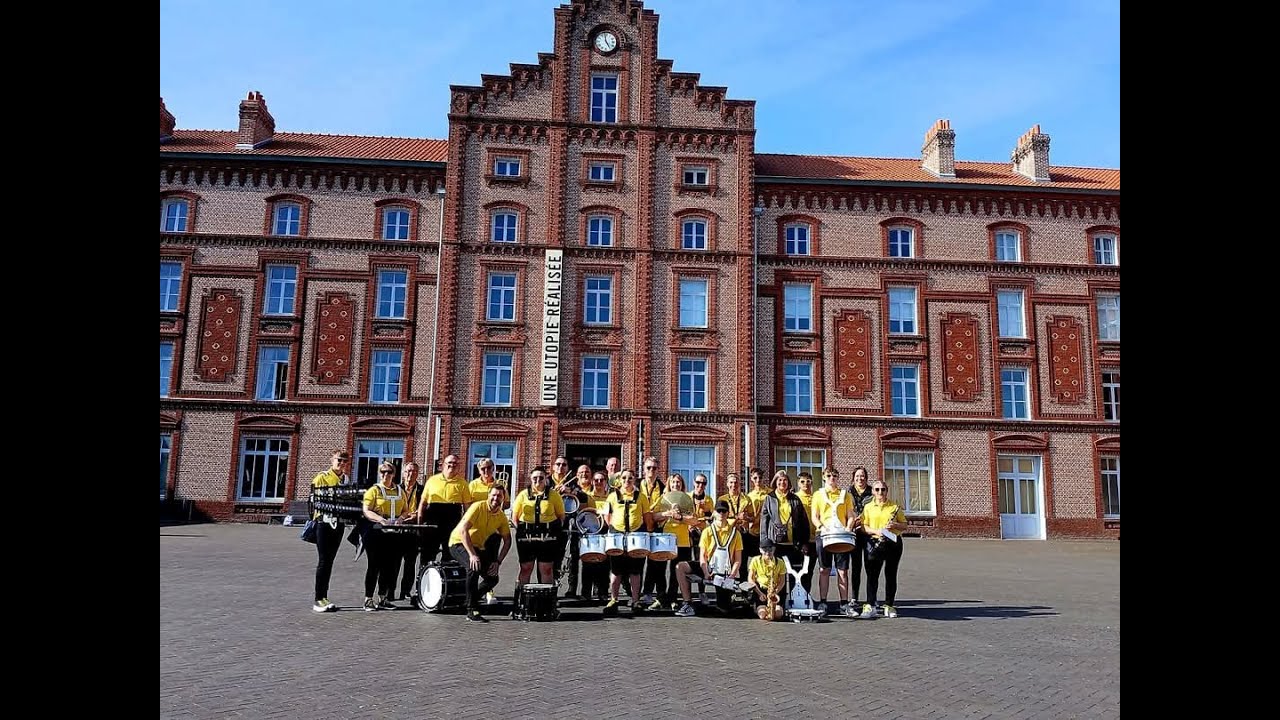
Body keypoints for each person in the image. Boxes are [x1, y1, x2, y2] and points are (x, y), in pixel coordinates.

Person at [448, 486, 513, 622]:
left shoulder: (501, 516)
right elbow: (463, 531)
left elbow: (508, 540)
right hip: (458, 543)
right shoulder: (477, 507)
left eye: (499, 496)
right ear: (488, 495)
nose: (496, 498)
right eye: (493, 495)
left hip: (477, 546)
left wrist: (498, 562)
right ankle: (472, 610)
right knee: (473, 568)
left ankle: (468, 600)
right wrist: (472, 555)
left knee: (492, 578)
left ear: (503, 498)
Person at [673, 499, 742, 617]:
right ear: (714, 513)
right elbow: (702, 556)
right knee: (680, 567)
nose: (721, 514)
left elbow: (737, 560)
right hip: (709, 568)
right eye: (719, 511)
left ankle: (725, 603)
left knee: (724, 610)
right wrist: (706, 573)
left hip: (725, 573)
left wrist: (732, 575)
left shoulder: (736, 533)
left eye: (724, 511)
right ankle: (687, 603)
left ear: (728, 513)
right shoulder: (707, 531)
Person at [512, 467, 566, 612]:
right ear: (530, 479)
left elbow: (561, 516)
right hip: (526, 535)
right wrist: (520, 531)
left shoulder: (554, 495)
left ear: (546, 479)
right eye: (535, 478)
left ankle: (547, 603)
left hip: (547, 535)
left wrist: (554, 531)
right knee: (526, 568)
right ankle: (520, 602)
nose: (538, 481)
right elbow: (515, 516)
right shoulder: (523, 495)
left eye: (541, 478)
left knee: (546, 569)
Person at [601, 469, 653, 615]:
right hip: (617, 535)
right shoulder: (612, 496)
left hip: (636, 536)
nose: (627, 481)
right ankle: (614, 600)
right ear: (620, 480)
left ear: (634, 480)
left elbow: (647, 517)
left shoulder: (641, 497)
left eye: (630, 478)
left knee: (635, 571)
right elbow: (607, 516)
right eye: (624, 478)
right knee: (616, 571)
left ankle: (635, 601)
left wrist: (647, 533)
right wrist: (614, 528)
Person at [360, 462, 409, 611]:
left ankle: (383, 597)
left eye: (389, 472)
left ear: (394, 474)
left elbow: (406, 510)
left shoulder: (400, 491)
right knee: (374, 565)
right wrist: (380, 519)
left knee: (389, 566)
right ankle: (368, 599)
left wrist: (401, 519)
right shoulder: (374, 490)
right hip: (376, 532)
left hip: (394, 533)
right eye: (382, 472)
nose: (385, 475)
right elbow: (366, 510)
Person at [858, 479, 908, 619]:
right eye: (877, 489)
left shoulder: (894, 506)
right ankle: (871, 605)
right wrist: (877, 531)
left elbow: (904, 525)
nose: (880, 492)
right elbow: (864, 526)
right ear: (873, 492)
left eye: (883, 489)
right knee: (872, 575)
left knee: (891, 574)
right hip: (875, 542)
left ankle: (889, 605)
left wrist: (895, 525)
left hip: (893, 542)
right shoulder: (868, 507)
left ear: (887, 491)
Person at [758, 471, 811, 602]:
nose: (782, 482)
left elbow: (803, 521)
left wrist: (804, 542)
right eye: (780, 480)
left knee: (795, 574)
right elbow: (764, 521)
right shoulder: (769, 498)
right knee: (777, 574)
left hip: (793, 543)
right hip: (775, 544)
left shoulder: (795, 499)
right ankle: (779, 602)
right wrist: (764, 542)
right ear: (775, 482)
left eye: (785, 480)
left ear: (789, 482)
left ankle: (794, 600)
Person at [309, 449, 349, 612]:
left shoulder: (345, 479)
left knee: (329, 561)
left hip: (338, 524)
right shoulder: (322, 477)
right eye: (339, 460)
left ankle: (324, 597)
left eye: (345, 461)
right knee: (324, 560)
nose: (342, 463)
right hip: (324, 523)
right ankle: (318, 599)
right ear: (332, 460)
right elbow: (314, 501)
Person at [811, 467, 855, 614]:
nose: (832, 478)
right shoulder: (818, 495)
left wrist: (848, 528)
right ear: (824, 477)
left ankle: (844, 603)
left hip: (841, 535)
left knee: (843, 571)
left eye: (835, 475)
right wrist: (821, 527)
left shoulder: (845, 495)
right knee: (824, 569)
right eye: (829, 475)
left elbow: (851, 515)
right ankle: (823, 602)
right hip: (824, 535)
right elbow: (815, 516)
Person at [416, 454, 472, 565]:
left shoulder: (463, 483)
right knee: (427, 554)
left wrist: (467, 527)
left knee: (450, 555)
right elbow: (422, 504)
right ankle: (424, 575)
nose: (452, 465)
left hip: (452, 522)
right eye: (449, 463)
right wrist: (419, 523)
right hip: (433, 521)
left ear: (458, 466)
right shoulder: (432, 480)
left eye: (455, 463)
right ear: (443, 465)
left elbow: (467, 508)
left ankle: (447, 575)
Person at [660, 474, 701, 611]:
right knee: (661, 570)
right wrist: (667, 514)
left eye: (678, 482)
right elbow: (654, 516)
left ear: (682, 485)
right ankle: (662, 598)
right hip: (667, 539)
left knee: (676, 570)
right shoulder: (664, 498)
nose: (676, 485)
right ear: (669, 484)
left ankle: (674, 598)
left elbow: (694, 520)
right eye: (673, 482)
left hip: (683, 540)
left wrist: (680, 517)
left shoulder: (687, 499)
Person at [557, 464, 593, 598]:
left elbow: (584, 498)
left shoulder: (594, 485)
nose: (584, 474)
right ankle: (569, 589)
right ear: (577, 475)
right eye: (581, 472)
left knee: (586, 560)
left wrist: (572, 492)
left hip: (586, 527)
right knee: (567, 557)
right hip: (568, 526)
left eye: (587, 472)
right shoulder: (571, 486)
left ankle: (587, 591)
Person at [638, 456, 667, 609]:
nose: (651, 470)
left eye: (654, 468)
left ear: (658, 470)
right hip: (639, 527)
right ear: (644, 469)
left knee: (655, 563)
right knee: (638, 561)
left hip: (656, 527)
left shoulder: (663, 488)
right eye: (648, 467)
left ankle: (650, 592)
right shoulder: (636, 485)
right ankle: (635, 593)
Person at [581, 471, 613, 603]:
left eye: (601, 480)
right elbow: (582, 513)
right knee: (588, 563)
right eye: (596, 480)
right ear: (592, 482)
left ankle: (603, 592)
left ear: (606, 482)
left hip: (605, 531)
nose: (598, 482)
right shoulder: (587, 496)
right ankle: (586, 593)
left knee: (604, 564)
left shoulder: (610, 497)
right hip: (590, 532)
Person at [395, 461, 425, 602]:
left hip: (413, 531)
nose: (410, 474)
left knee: (410, 563)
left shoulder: (422, 490)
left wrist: (416, 514)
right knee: (394, 562)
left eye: (413, 471)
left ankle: (405, 591)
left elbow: (426, 506)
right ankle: (389, 591)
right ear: (403, 473)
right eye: (408, 471)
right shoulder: (396, 489)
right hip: (397, 531)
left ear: (417, 474)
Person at [716, 473, 754, 581]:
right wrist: (737, 518)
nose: (734, 485)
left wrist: (746, 517)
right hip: (728, 535)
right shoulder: (722, 499)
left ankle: (742, 588)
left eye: (736, 482)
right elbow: (718, 518)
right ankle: (727, 587)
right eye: (731, 482)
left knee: (742, 564)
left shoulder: (746, 499)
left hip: (743, 535)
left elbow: (753, 518)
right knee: (728, 562)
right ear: (727, 484)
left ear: (739, 484)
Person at [847, 466, 875, 610]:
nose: (860, 478)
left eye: (862, 476)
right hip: (854, 533)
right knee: (856, 566)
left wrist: (862, 519)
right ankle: (854, 597)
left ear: (866, 477)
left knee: (870, 566)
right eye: (857, 476)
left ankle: (871, 598)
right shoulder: (848, 492)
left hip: (868, 533)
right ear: (853, 478)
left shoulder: (872, 492)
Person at [748, 538, 788, 621]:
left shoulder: (780, 562)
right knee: (762, 615)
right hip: (761, 590)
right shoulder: (755, 560)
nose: (768, 552)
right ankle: (758, 608)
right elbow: (750, 579)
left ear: (774, 549)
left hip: (774, 590)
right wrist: (759, 593)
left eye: (770, 549)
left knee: (778, 614)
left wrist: (774, 593)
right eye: (765, 549)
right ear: (760, 550)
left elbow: (782, 581)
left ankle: (773, 609)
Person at [745, 468, 771, 574]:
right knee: (754, 560)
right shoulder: (749, 496)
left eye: (760, 478)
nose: (758, 480)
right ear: (751, 479)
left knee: (766, 559)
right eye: (755, 478)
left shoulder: (770, 493)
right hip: (753, 532)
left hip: (767, 532)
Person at [794, 471, 817, 594]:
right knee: (800, 570)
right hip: (802, 540)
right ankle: (798, 595)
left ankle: (807, 595)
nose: (805, 484)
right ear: (798, 483)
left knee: (810, 571)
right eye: (802, 481)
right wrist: (801, 541)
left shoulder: (816, 498)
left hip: (815, 539)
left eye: (808, 481)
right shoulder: (795, 498)